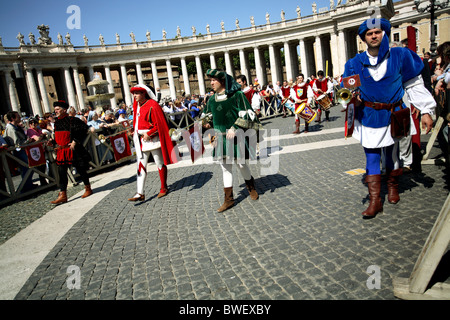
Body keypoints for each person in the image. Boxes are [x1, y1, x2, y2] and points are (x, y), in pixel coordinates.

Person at [342, 18, 435, 219]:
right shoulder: (353, 64)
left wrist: (426, 110)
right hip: (368, 116)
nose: (374, 36)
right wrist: (352, 100)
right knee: (372, 156)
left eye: (377, 32)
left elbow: (414, 85)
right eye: (369, 33)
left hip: (394, 114)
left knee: (392, 154)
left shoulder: (400, 56)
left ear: (384, 33)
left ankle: (393, 186)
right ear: (363, 38)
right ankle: (375, 201)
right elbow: (346, 92)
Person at [202, 69, 259, 213]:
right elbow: (208, 117)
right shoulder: (212, 100)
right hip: (220, 138)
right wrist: (208, 126)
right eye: (210, 80)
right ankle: (229, 200)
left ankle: (251, 187)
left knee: (240, 164)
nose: (211, 83)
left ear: (222, 81)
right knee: (225, 168)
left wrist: (234, 127)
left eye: (214, 80)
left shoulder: (237, 95)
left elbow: (248, 114)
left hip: (236, 136)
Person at [128, 84, 178, 202]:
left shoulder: (152, 105)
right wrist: (134, 131)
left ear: (143, 93)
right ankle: (140, 192)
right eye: (134, 93)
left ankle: (163, 187)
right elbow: (137, 122)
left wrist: (149, 134)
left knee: (159, 163)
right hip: (141, 140)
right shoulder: (137, 106)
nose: (134, 96)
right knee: (141, 165)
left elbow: (159, 124)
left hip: (153, 140)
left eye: (137, 93)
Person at [49, 100, 93, 204]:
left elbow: (83, 129)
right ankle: (63, 195)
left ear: (64, 110)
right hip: (62, 151)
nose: (56, 111)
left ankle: (88, 188)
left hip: (73, 150)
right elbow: (58, 136)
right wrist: (53, 141)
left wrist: (75, 141)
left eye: (58, 109)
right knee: (62, 173)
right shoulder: (56, 123)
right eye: (55, 109)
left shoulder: (72, 120)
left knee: (81, 169)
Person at [3, 111, 35, 191]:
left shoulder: (16, 127)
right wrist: (28, 141)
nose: (20, 117)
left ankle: (28, 185)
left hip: (22, 150)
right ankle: (23, 188)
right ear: (13, 118)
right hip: (18, 152)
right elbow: (17, 143)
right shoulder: (10, 128)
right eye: (18, 116)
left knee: (27, 169)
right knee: (28, 167)